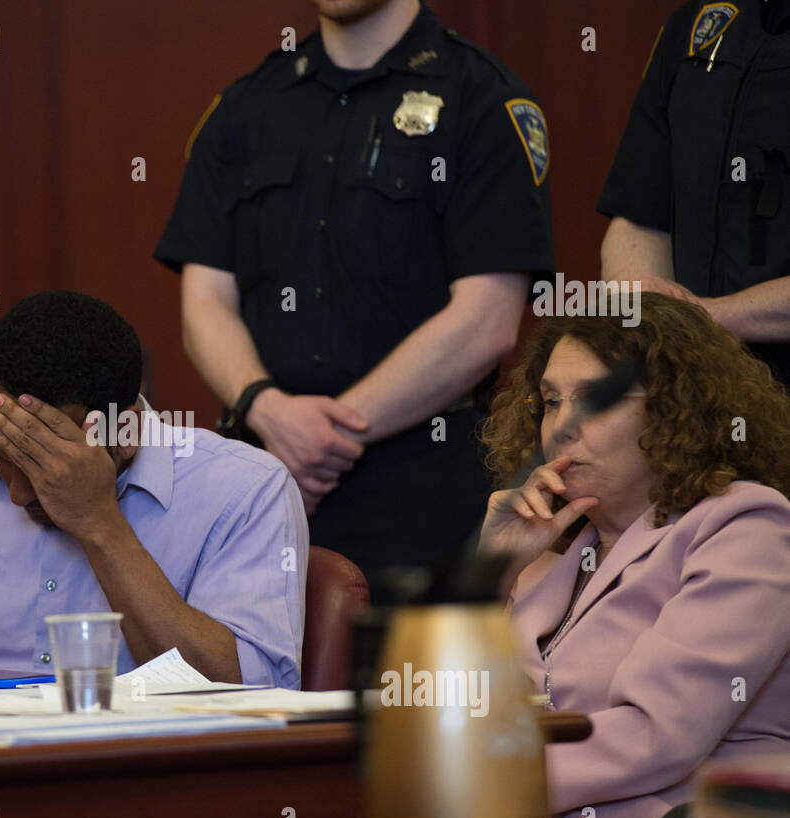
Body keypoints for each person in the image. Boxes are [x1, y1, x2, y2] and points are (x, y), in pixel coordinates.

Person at [154, 0, 555, 603]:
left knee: (410, 696)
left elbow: (488, 319)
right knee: (245, 695)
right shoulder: (246, 106)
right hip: (261, 489)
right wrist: (268, 412)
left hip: (421, 503)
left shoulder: (483, 100)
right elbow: (204, 301)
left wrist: (322, 437)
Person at [0, 291, 307, 688]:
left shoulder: (246, 490)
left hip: (156, 777)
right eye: (0, 452)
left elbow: (250, 696)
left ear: (124, 432)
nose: (18, 495)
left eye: (47, 460)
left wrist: (99, 524)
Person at [478, 293, 790, 818]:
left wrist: (462, 784)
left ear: (673, 410)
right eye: (550, 401)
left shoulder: (747, 527)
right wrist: (490, 575)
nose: (560, 428)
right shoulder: (553, 552)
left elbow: (656, 736)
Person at [600, 0, 790, 387]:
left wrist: (703, 317)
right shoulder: (699, 24)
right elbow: (640, 215)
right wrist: (648, 315)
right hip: (693, 386)